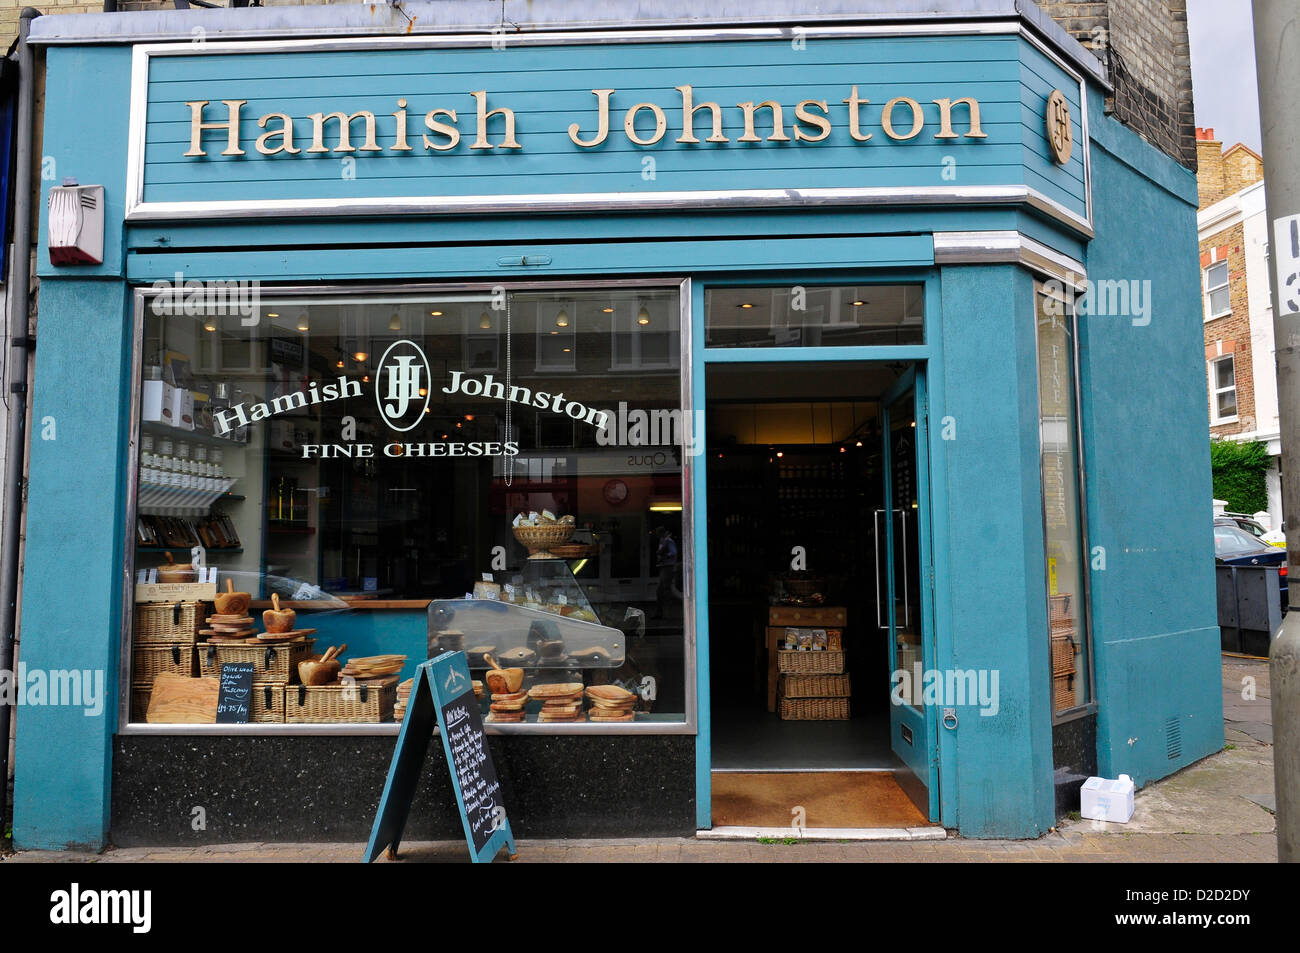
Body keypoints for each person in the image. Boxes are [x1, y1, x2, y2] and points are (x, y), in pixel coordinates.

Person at [653, 526, 680, 619]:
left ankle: (667, 612)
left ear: (661, 533)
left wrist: (664, 556)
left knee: (664, 590)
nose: (656, 535)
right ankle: (662, 612)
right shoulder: (663, 540)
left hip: (668, 567)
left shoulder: (668, 541)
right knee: (661, 590)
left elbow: (674, 552)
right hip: (664, 567)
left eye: (657, 533)